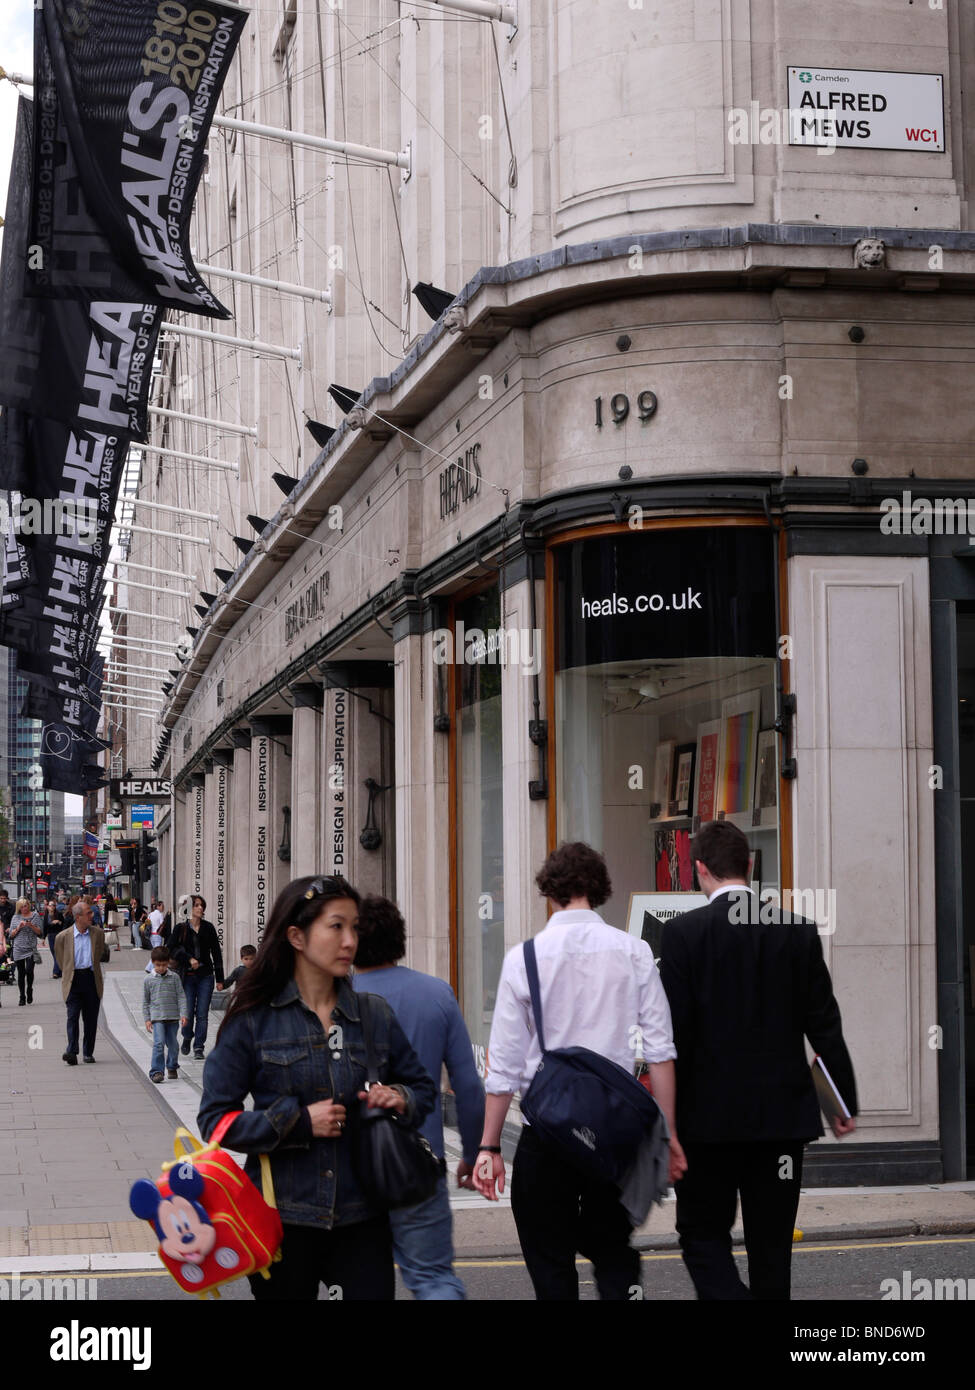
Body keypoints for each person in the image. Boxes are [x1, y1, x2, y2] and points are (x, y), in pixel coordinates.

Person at [197, 875, 438, 1301]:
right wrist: (296, 1122)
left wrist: (400, 1097)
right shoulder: (252, 1020)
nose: (350, 941)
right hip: (282, 1221)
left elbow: (421, 1086)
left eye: (355, 928)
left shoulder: (373, 1014)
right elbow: (216, 1121)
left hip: (363, 1218)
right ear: (296, 936)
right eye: (337, 926)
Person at [473, 841, 685, 1300]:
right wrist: (666, 1136)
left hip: (546, 1135)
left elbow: (504, 1067)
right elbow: (662, 1052)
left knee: (549, 1261)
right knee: (613, 1250)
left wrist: (489, 1146)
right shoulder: (634, 951)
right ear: (600, 890)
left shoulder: (522, 959)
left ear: (549, 891)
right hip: (615, 1137)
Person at [659, 820, 858, 1302]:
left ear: (700, 869)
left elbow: (672, 1035)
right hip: (781, 1124)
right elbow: (824, 1027)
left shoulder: (682, 934)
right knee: (773, 1250)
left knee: (703, 1236)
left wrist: (666, 1124)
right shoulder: (796, 931)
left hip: (706, 1124)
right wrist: (840, 1105)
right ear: (750, 866)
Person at [353, 895, 485, 1300]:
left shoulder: (331, 999)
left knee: (360, 1285)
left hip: (351, 1167)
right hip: (419, 1161)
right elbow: (468, 1085)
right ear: (400, 939)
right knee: (432, 1279)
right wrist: (472, 1151)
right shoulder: (436, 994)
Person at [55, 899, 107, 1065]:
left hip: (91, 979)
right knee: (72, 1017)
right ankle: (72, 1051)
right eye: (88, 913)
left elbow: (99, 955)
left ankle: (88, 1052)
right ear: (78, 917)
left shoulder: (97, 934)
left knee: (91, 1019)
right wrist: (69, 972)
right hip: (73, 980)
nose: (92, 915)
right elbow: (61, 959)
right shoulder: (63, 937)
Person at [178, 895, 225, 1059]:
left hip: (206, 976)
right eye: (197, 905)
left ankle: (199, 1047)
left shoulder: (209, 928)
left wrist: (220, 979)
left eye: (201, 905)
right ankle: (187, 1036)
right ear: (189, 908)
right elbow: (171, 949)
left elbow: (216, 954)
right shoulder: (181, 928)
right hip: (188, 977)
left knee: (203, 1014)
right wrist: (188, 959)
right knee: (188, 1012)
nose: (200, 908)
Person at [143, 947, 188, 1082]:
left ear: (168, 962)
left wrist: (183, 1014)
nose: (161, 968)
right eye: (158, 965)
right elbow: (145, 1001)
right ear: (152, 962)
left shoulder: (174, 977)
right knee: (159, 1043)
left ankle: (172, 1065)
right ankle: (156, 1071)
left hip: (173, 1018)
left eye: (164, 965)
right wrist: (147, 1019)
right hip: (157, 1018)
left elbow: (181, 996)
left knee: (173, 1045)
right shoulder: (148, 980)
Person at [8, 897, 44, 1005]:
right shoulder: (15, 917)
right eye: (22, 906)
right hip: (18, 948)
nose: (25, 908)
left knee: (29, 970)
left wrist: (31, 925)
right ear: (19, 908)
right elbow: (11, 935)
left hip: (31, 948)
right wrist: (18, 927)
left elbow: (40, 932)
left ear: (29, 905)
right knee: (21, 973)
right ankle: (22, 996)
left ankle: (29, 989)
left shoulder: (35, 916)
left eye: (26, 905)